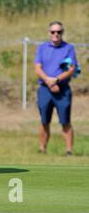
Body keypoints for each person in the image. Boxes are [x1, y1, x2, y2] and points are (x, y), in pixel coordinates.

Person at [34, 21, 78, 156]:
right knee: (44, 120)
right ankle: (42, 148)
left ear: (62, 33)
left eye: (59, 32)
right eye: (53, 32)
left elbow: (72, 69)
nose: (56, 34)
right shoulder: (42, 48)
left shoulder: (68, 48)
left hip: (62, 89)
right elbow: (37, 67)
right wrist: (49, 82)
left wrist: (57, 80)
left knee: (65, 121)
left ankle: (69, 150)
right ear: (49, 33)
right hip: (45, 88)